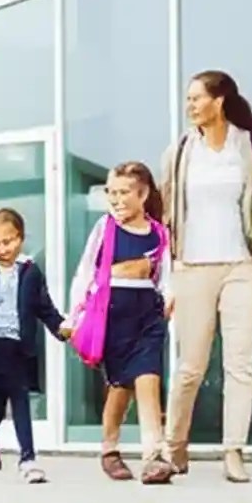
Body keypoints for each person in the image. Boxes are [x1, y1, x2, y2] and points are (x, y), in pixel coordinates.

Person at [159, 70, 252, 483]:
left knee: (240, 363)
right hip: (192, 269)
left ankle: (233, 451)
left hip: (240, 267)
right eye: (188, 99)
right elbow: (165, 217)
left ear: (219, 101)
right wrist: (168, 278)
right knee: (191, 367)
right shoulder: (180, 151)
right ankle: (174, 445)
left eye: (196, 98)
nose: (190, 106)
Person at [68, 162, 176, 485]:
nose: (115, 199)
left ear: (143, 195)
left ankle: (153, 456)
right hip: (113, 314)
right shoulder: (105, 228)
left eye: (123, 192)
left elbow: (166, 274)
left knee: (148, 379)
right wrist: (73, 317)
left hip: (148, 314)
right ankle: (109, 449)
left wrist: (169, 295)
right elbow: (86, 271)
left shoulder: (159, 233)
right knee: (120, 387)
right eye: (110, 192)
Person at [0, 209, 68, 484]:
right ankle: (28, 458)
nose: (2, 249)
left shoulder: (30, 270)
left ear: (20, 239)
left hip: (21, 341)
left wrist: (61, 328)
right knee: (18, 394)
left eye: (8, 241)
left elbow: (44, 306)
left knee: (4, 393)